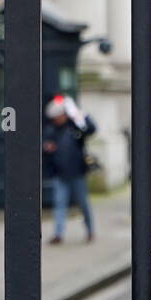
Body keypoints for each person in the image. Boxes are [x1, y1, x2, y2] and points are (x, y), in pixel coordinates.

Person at [43, 95, 97, 244]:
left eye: (58, 116)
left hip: (77, 173)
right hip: (60, 173)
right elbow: (44, 146)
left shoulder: (75, 126)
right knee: (59, 204)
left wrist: (81, 114)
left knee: (83, 203)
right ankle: (58, 233)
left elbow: (92, 129)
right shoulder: (51, 130)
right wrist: (46, 148)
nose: (56, 120)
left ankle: (90, 230)